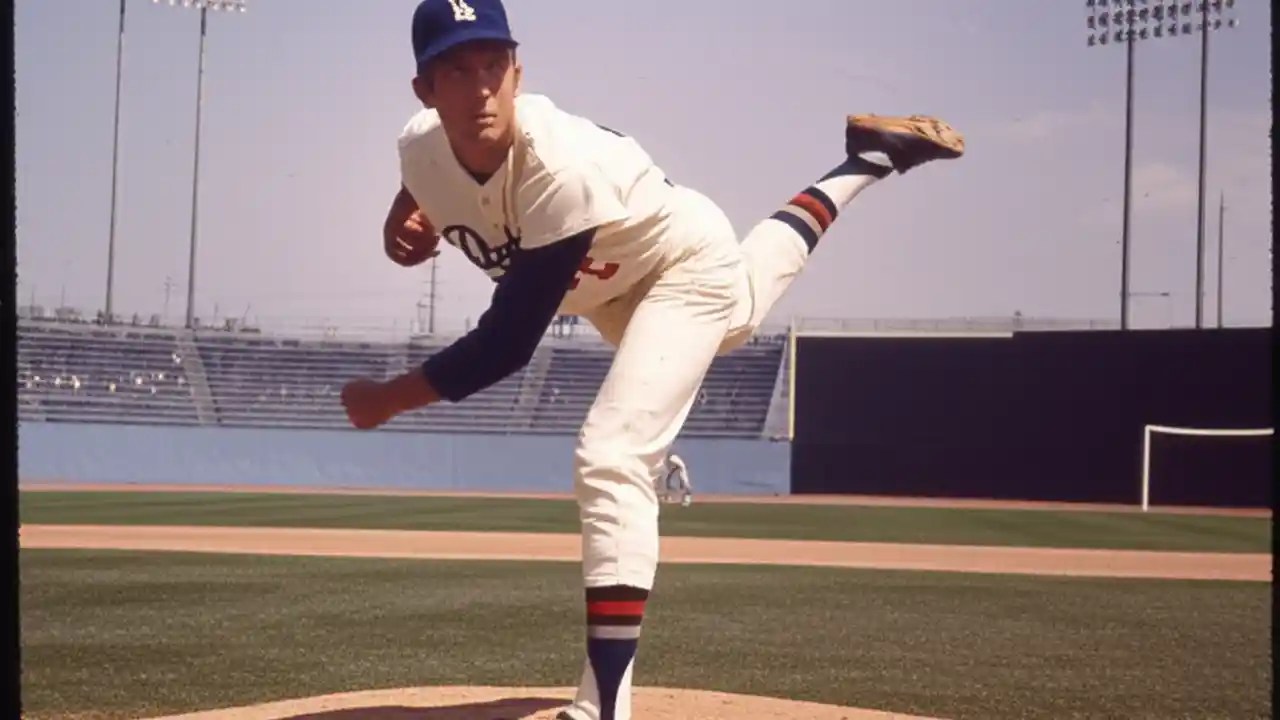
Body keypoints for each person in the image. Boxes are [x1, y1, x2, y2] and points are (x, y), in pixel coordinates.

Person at [340, 1, 965, 717]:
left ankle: (602, 706)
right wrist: (406, 208)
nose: (480, 86)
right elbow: (426, 168)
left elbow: (508, 343)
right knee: (744, 305)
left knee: (611, 456)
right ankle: (869, 158)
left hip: (676, 260)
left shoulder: (558, 166)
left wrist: (389, 398)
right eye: (456, 70)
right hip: (605, 289)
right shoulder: (418, 145)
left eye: (493, 64)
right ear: (424, 90)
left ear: (518, 71)